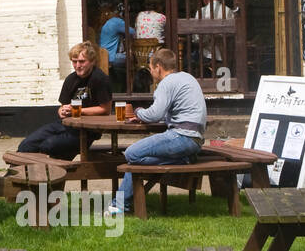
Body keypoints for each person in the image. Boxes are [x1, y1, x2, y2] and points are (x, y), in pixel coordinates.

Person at [111, 47, 206, 215]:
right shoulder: (187, 78)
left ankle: (120, 205)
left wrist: (138, 112)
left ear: (158, 67)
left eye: (150, 68)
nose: (151, 72)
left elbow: (154, 114)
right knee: (136, 160)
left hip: (181, 137)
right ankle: (119, 205)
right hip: (195, 140)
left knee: (131, 154)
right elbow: (171, 112)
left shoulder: (166, 83)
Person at [18, 41, 113, 159]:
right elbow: (63, 107)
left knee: (48, 145)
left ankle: (47, 172)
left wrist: (78, 111)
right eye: (74, 61)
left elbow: (105, 109)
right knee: (26, 145)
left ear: (92, 61)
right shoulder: (71, 79)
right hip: (66, 125)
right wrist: (62, 111)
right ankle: (16, 175)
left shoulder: (100, 79)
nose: (78, 65)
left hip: (87, 131)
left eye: (82, 61)